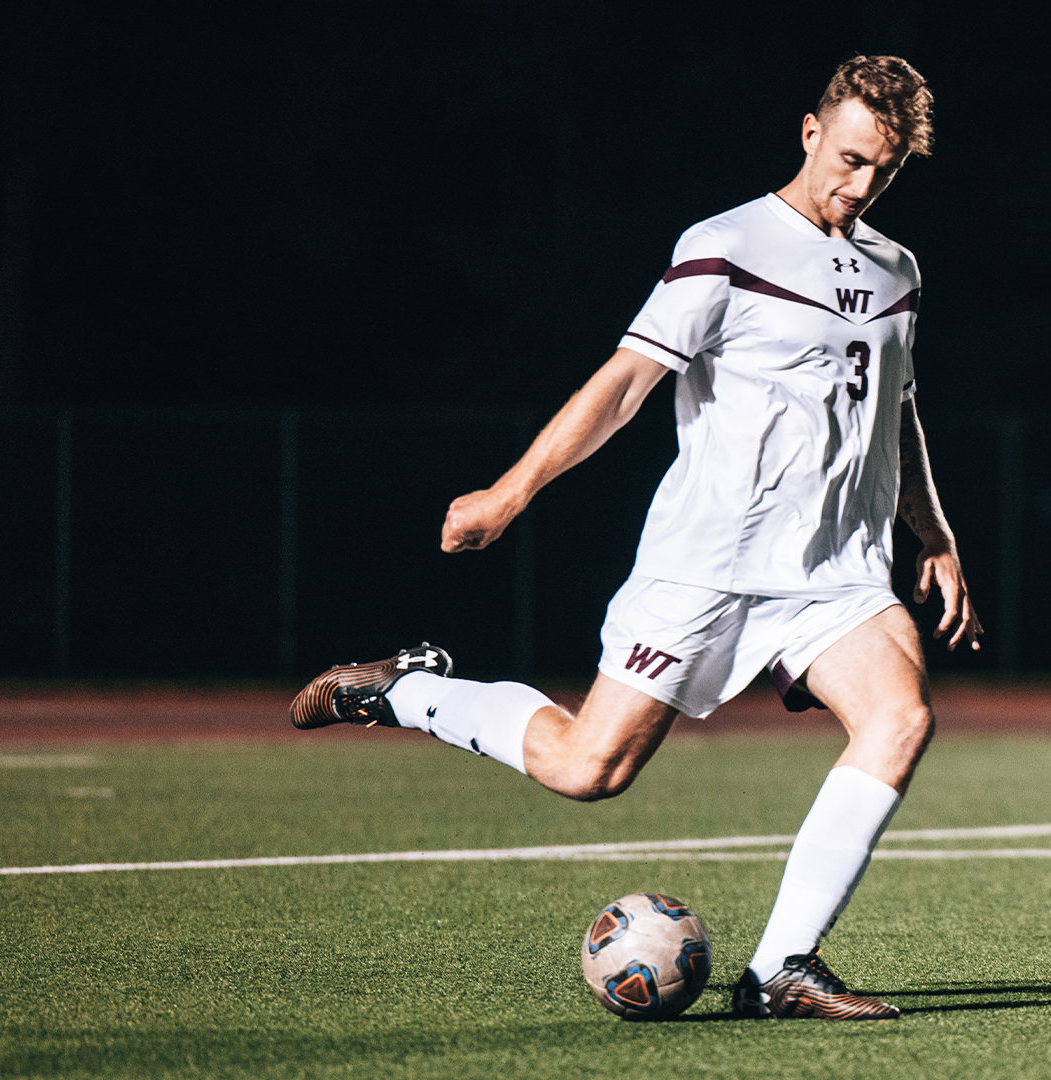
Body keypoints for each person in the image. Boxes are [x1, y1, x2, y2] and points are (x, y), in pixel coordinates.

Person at [289, 55, 981, 1020]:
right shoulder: (727, 244)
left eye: (887, 171)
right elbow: (623, 385)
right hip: (708, 563)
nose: (861, 185)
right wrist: (511, 491)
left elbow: (898, 413)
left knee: (900, 718)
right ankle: (405, 689)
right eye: (853, 158)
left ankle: (783, 969)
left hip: (835, 573)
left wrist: (935, 535)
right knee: (589, 769)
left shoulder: (898, 270)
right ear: (811, 129)